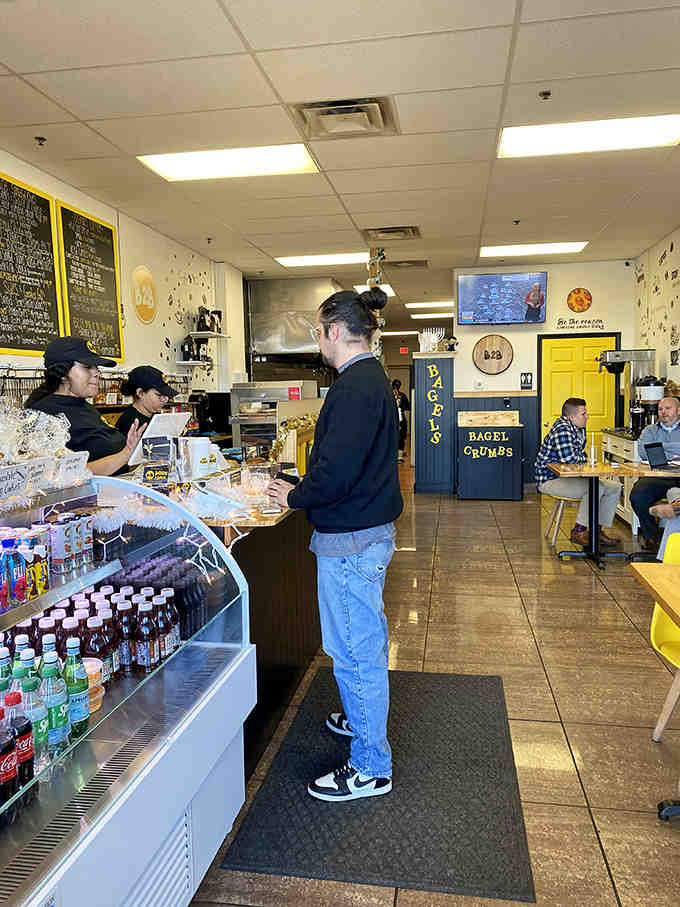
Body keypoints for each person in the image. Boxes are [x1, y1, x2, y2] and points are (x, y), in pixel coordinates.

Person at [267, 287, 403, 803]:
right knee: (357, 643)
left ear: (336, 332)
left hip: (350, 540)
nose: (317, 341)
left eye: (318, 331)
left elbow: (338, 472)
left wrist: (297, 493)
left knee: (354, 652)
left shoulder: (353, 387)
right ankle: (361, 719)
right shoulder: (370, 382)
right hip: (364, 533)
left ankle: (371, 765)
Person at [25, 337, 145, 476]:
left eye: (96, 368)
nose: (97, 373)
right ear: (63, 373)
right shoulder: (42, 415)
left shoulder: (86, 407)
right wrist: (126, 455)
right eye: (87, 367)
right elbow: (58, 475)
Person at [535, 397, 620, 547]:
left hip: (569, 476)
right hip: (550, 479)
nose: (587, 416)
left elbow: (579, 458)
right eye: (584, 414)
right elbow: (570, 460)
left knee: (614, 487)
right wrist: (584, 458)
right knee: (596, 487)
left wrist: (583, 459)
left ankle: (596, 532)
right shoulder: (562, 429)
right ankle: (578, 531)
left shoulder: (578, 428)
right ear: (571, 417)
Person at [630, 396, 680, 551]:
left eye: (668, 408)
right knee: (638, 495)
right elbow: (644, 452)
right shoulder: (649, 430)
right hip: (658, 477)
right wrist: (674, 450)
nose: (663, 412)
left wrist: (660, 448)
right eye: (660, 409)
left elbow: (653, 449)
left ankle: (673, 539)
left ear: (678, 411)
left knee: (675, 495)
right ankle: (651, 536)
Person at [116, 366, 177, 436]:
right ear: (140, 393)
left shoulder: (156, 417)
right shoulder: (129, 422)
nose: (164, 400)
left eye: (166, 395)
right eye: (159, 395)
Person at [392, 378, 410, 462]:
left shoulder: (388, 395)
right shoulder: (403, 395)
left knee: (395, 437)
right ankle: (399, 456)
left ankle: (396, 455)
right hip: (400, 419)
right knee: (401, 437)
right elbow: (408, 407)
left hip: (392, 419)